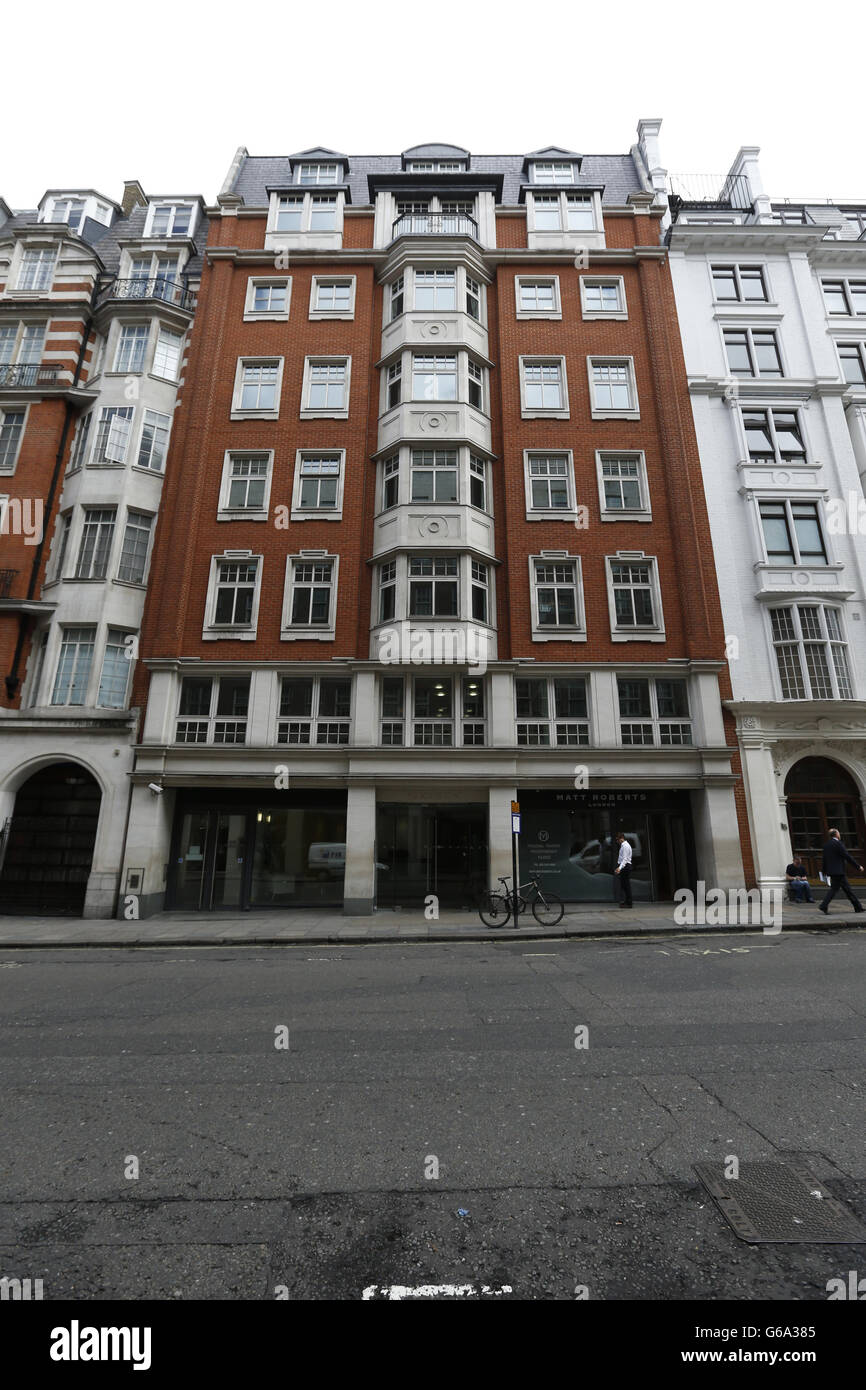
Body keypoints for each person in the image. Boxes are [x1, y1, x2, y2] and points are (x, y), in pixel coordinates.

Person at [818, 829, 865, 917]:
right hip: (839, 871)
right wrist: (858, 866)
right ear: (836, 834)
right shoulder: (838, 844)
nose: (839, 834)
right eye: (839, 833)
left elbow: (824, 859)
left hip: (833, 871)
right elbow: (847, 856)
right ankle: (823, 905)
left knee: (847, 890)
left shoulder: (826, 845)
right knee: (836, 889)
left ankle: (858, 907)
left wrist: (824, 871)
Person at [614, 832, 633, 908]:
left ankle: (629, 903)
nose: (617, 841)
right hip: (625, 866)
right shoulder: (625, 845)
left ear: (621, 838)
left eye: (618, 839)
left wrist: (619, 868)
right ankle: (627, 901)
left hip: (625, 866)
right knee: (624, 885)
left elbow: (625, 859)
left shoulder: (625, 846)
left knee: (626, 885)